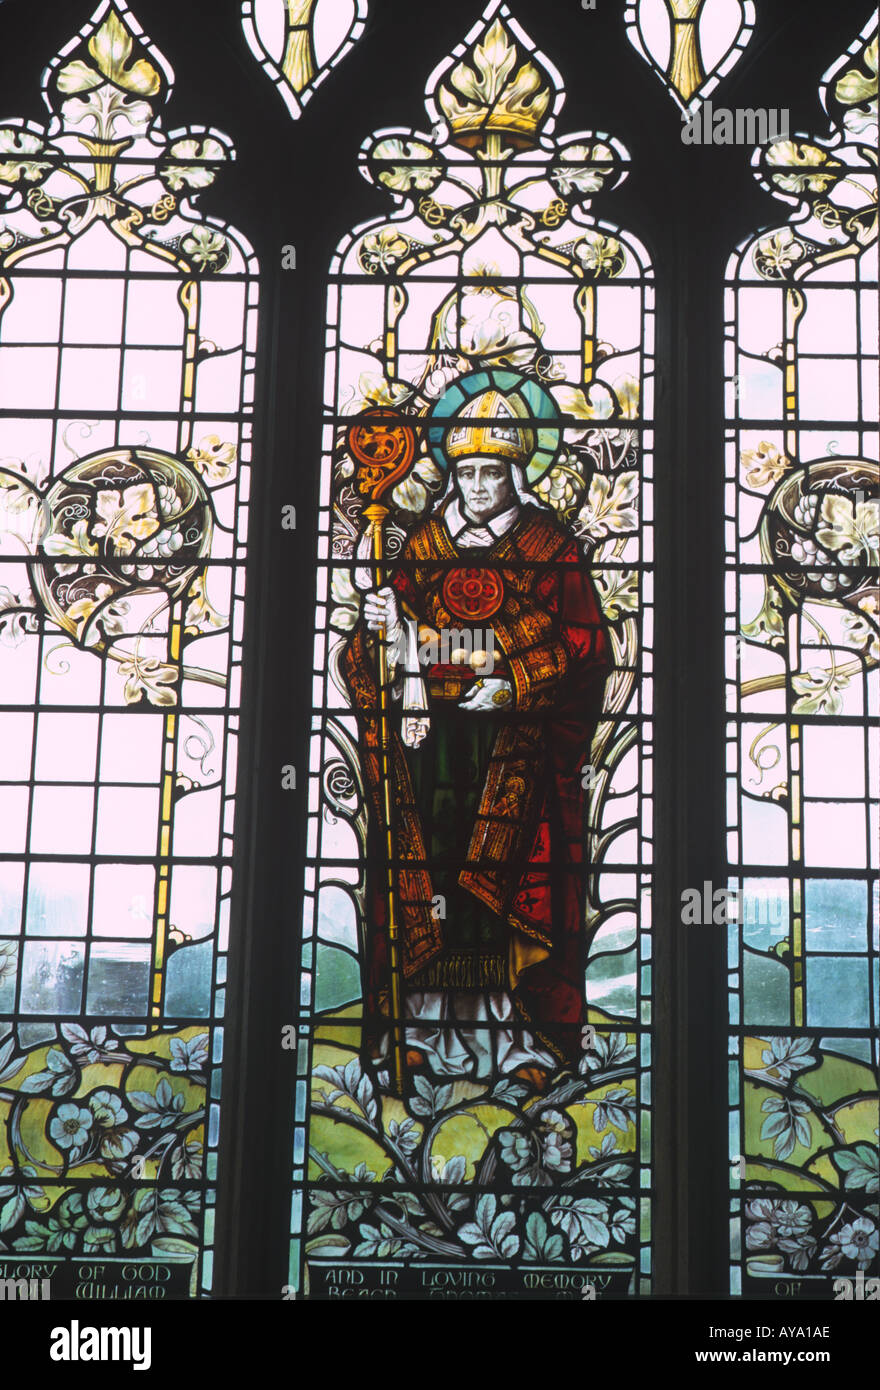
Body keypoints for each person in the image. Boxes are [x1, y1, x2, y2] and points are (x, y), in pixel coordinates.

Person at [342, 384, 610, 1091]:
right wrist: (384, 634)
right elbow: (368, 658)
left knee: (503, 897)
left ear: (518, 474)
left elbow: (586, 648)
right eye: (468, 473)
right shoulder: (422, 545)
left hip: (515, 756)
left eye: (494, 472)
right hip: (431, 753)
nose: (480, 485)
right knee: (427, 893)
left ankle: (521, 1042)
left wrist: (517, 683)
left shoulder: (551, 548)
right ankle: (422, 1032)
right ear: (452, 475)